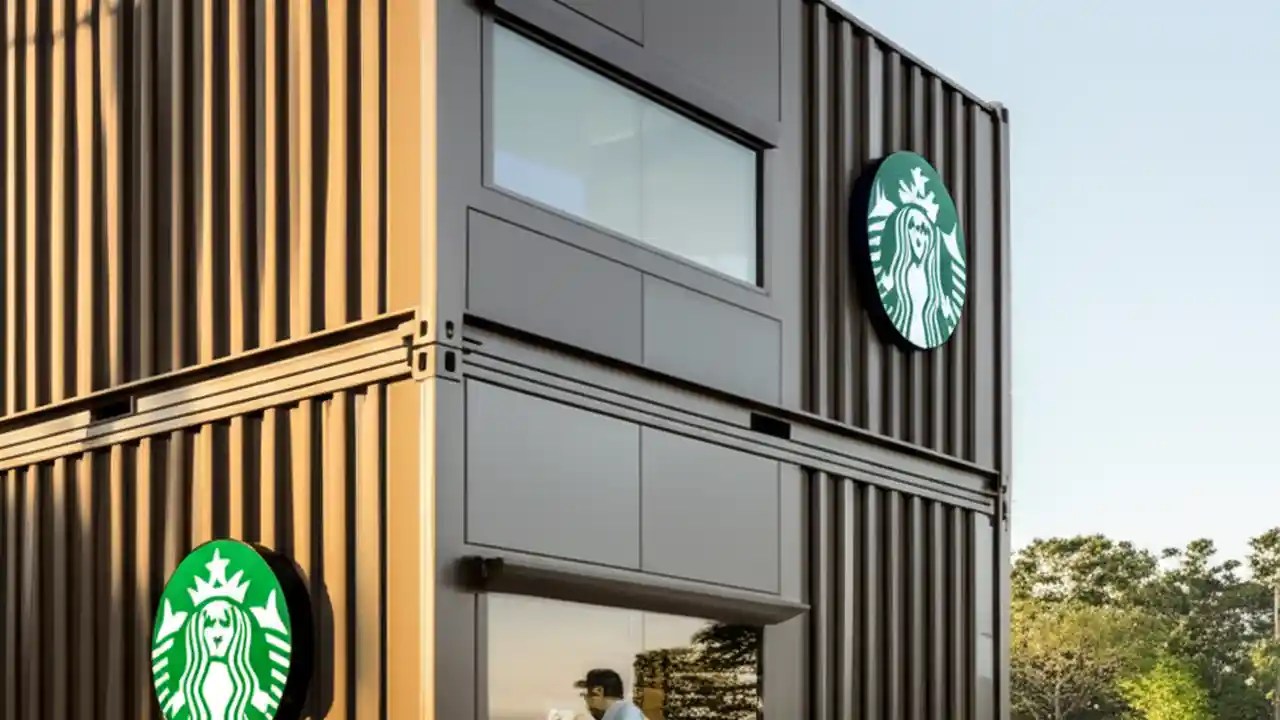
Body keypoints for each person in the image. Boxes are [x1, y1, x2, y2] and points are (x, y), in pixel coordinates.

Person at [574, 668, 646, 720]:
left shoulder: (628, 712)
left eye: (587, 695)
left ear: (598, 691)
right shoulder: (616, 713)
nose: (586, 700)